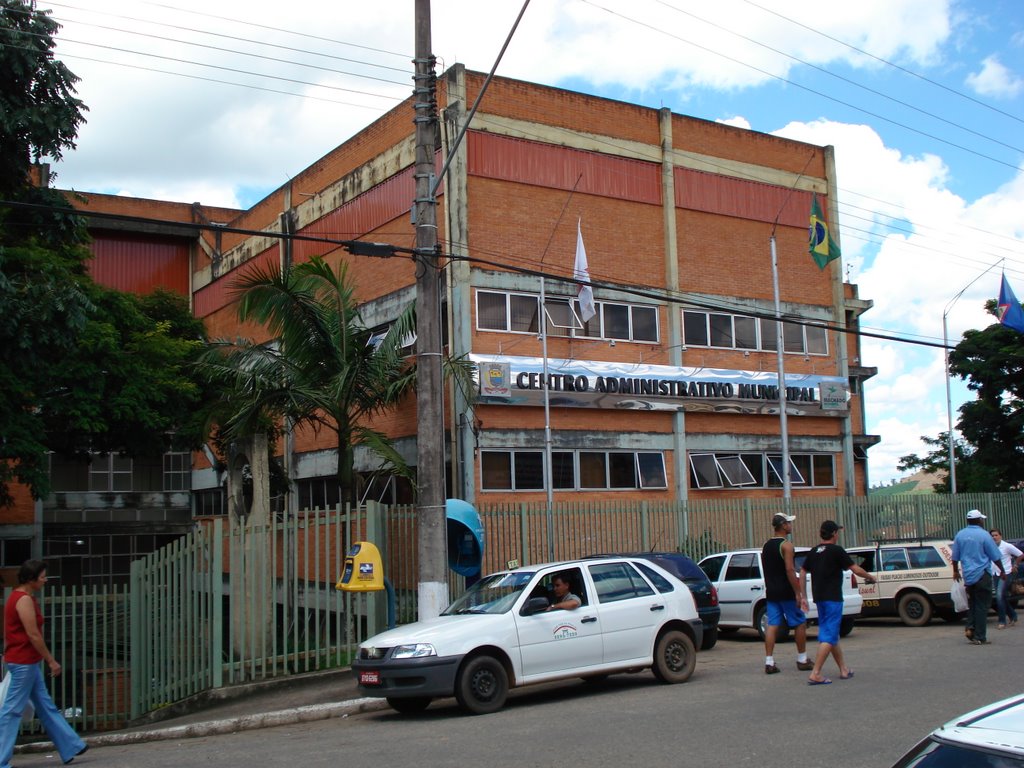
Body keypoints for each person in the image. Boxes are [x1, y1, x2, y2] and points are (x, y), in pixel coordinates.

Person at [0, 560, 88, 768]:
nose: (45, 580)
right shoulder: (23, 600)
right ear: (31, 578)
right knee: (11, 711)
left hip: (24, 660)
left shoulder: (19, 597)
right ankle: (1, 758)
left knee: (46, 706)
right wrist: (51, 660)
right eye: (42, 577)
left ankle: (71, 746)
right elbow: (33, 635)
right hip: (24, 662)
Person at [800, 521, 875, 685]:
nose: (838, 535)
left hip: (820, 599)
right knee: (828, 636)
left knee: (831, 634)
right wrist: (870, 577)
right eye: (837, 532)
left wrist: (804, 596)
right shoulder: (837, 551)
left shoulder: (814, 551)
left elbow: (803, 571)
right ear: (833, 534)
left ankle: (843, 669)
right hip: (833, 598)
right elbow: (855, 569)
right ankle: (816, 673)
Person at [761, 513, 813, 675]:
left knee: (772, 625)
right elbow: (790, 569)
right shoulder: (787, 546)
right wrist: (798, 592)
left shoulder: (766, 545)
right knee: (799, 623)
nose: (791, 525)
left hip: (772, 592)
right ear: (783, 525)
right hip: (786, 591)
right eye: (789, 523)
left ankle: (769, 661)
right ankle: (802, 659)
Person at [952, 510, 1005, 645]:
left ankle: (970, 628)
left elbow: (955, 557)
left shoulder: (960, 535)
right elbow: (995, 556)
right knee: (982, 606)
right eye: (982, 519)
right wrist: (1002, 571)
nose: (983, 521)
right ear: (979, 520)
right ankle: (980, 636)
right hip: (982, 574)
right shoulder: (984, 535)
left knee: (973, 603)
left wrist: (955, 572)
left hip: (968, 576)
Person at [991, 529, 1022, 629]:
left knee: (999, 596)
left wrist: (1015, 565)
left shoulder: (1007, 546)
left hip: (1006, 573)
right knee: (1002, 597)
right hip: (995, 573)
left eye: (996, 535)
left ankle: (1002, 621)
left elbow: (1020, 554)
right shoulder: (990, 546)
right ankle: (1013, 615)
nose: (994, 537)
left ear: (1000, 536)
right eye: (992, 536)